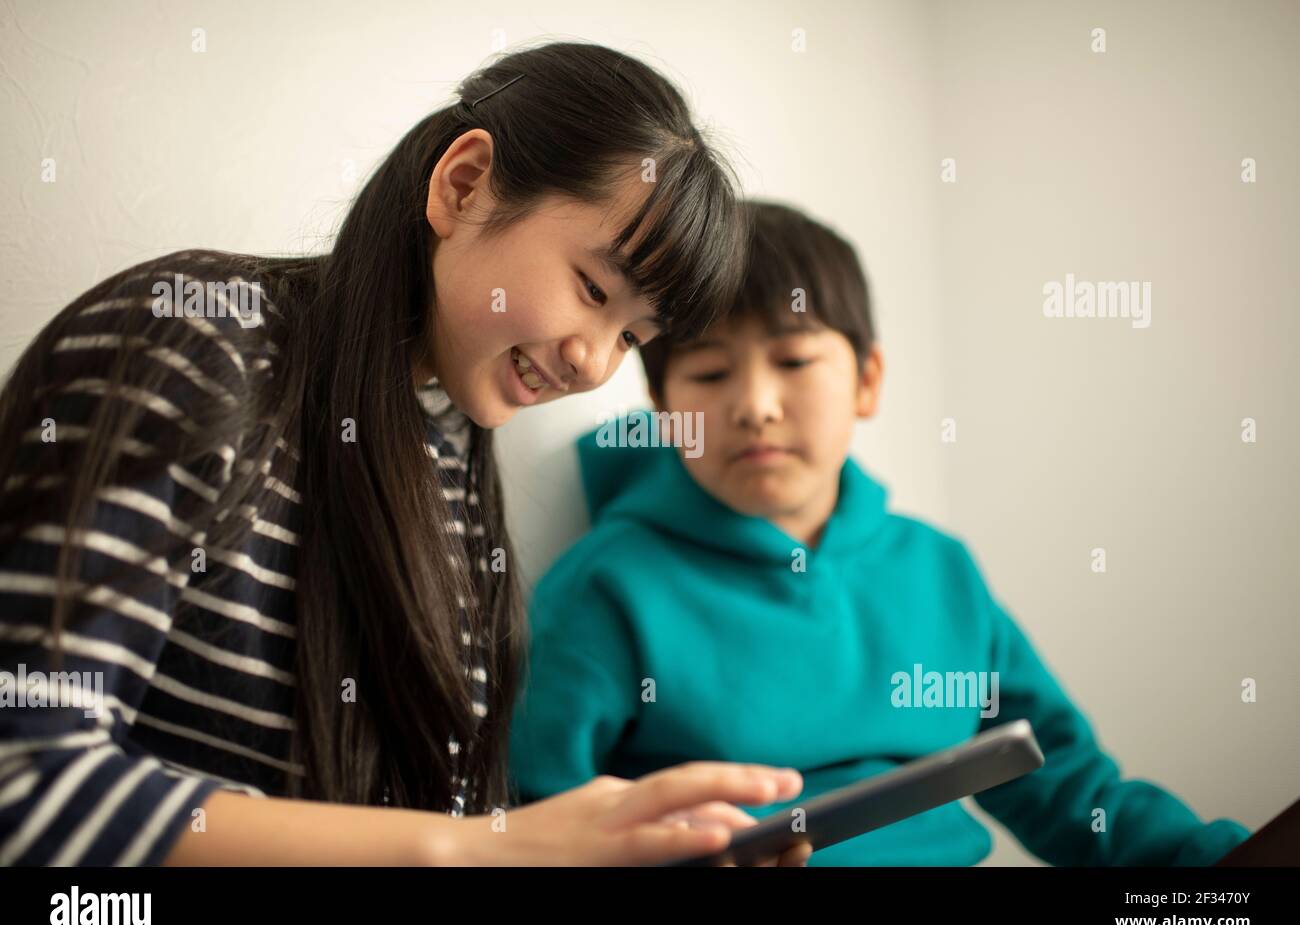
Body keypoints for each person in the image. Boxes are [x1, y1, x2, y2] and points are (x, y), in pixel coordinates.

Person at [0, 44, 811, 867]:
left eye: (631, 336)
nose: (594, 364)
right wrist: (474, 850)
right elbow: (25, 781)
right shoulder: (200, 344)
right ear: (463, 185)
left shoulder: (450, 450)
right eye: (594, 291)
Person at [509, 199, 1251, 865]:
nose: (755, 405)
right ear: (664, 404)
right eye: (708, 374)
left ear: (867, 380)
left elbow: (1061, 779)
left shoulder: (938, 569)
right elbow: (543, 817)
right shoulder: (606, 585)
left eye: (794, 360)